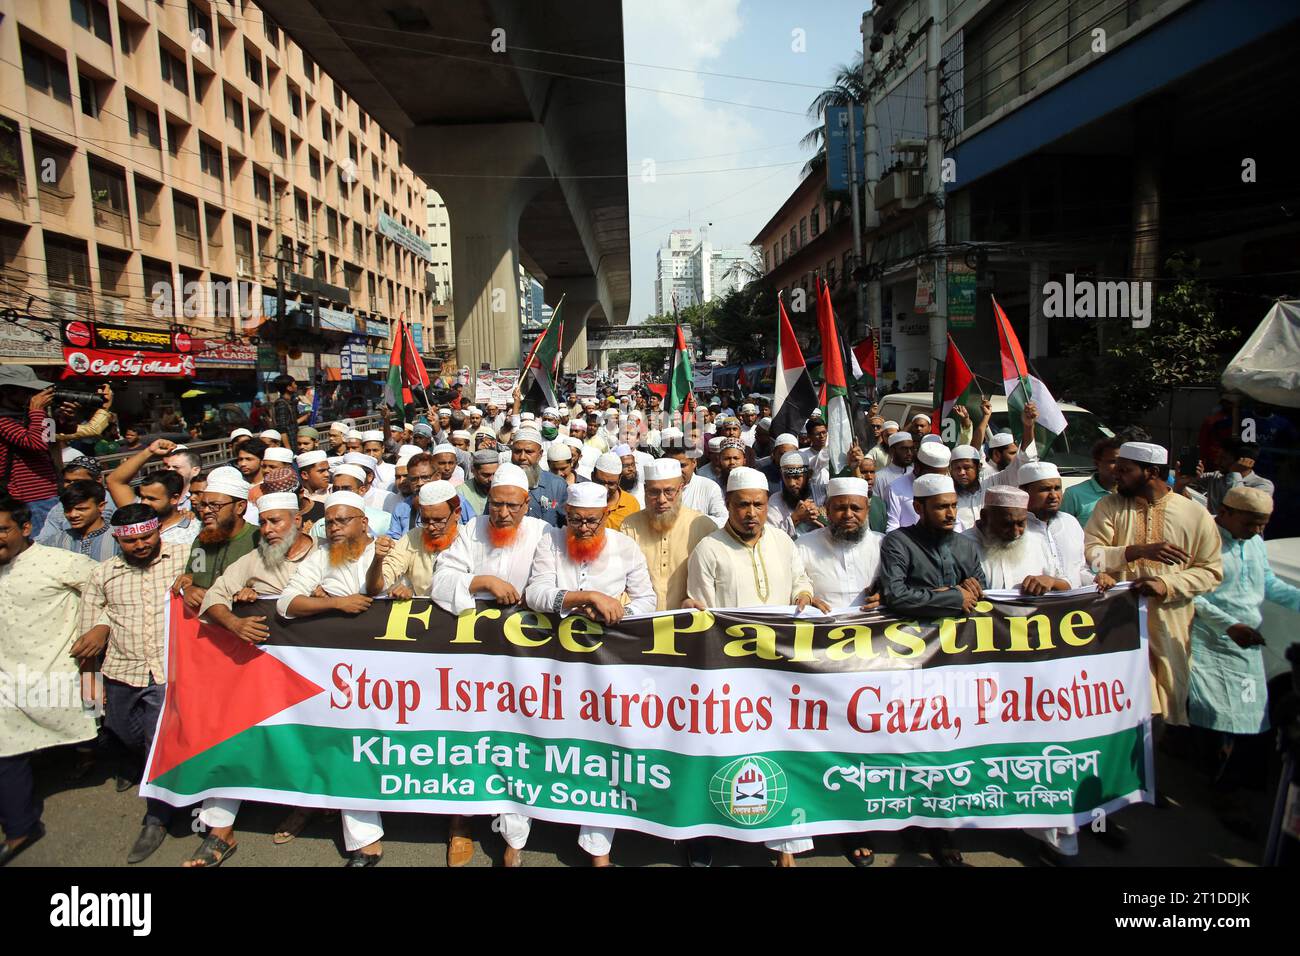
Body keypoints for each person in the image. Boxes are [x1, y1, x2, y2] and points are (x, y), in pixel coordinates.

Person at [686, 467, 824, 866]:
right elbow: (704, 614)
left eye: (758, 505)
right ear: (727, 506)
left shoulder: (783, 540)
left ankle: (785, 847)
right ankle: (707, 833)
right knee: (722, 753)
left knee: (782, 753)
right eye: (742, 504)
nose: (751, 513)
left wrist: (803, 593)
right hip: (730, 674)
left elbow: (801, 580)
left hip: (780, 673)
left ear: (768, 505)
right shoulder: (709, 549)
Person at [522, 481, 655, 866]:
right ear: (565, 515)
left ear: (604, 518)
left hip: (605, 666)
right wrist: (586, 598)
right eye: (576, 520)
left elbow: (647, 600)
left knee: (602, 750)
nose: (583, 529)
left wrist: (615, 611)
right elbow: (537, 593)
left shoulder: (625, 547)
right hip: (553, 663)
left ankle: (598, 847)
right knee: (548, 745)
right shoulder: (551, 542)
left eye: (592, 522)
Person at [183, 492, 315, 866]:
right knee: (235, 735)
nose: (269, 530)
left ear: (300, 523)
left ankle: (304, 807)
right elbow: (214, 598)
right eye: (265, 522)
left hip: (318, 672)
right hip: (262, 673)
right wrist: (236, 621)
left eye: (277, 522)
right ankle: (219, 830)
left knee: (311, 741)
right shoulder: (254, 560)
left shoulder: (325, 555)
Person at [71, 504, 192, 863]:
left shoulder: (187, 556)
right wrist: (90, 678)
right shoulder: (103, 574)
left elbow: (210, 579)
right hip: (122, 669)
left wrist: (195, 581)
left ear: (158, 532)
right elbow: (91, 624)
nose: (140, 546)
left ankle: (158, 815)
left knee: (159, 741)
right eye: (131, 541)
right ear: (118, 540)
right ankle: (144, 768)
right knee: (122, 732)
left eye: (147, 537)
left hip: (169, 670)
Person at [878, 473, 985, 866]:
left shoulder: (964, 544)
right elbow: (896, 595)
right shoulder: (898, 542)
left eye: (953, 505)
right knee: (911, 742)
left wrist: (948, 596)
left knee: (949, 744)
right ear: (918, 507)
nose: (950, 513)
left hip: (958, 661)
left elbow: (980, 589)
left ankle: (943, 830)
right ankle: (905, 815)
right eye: (941, 506)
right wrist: (951, 596)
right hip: (910, 662)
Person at [276, 490, 385, 865]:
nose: (334, 528)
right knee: (344, 744)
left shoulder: (387, 550)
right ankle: (363, 839)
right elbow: (287, 603)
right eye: (330, 522)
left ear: (364, 522)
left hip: (390, 673)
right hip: (335, 671)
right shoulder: (321, 556)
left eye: (343, 521)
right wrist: (335, 603)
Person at [1084, 441, 1223, 727]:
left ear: (1152, 472)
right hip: (1118, 623)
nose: (1116, 475)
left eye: (1125, 470)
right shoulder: (1109, 505)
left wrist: (1166, 584)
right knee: (1126, 708)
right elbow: (1091, 555)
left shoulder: (1194, 513)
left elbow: (1211, 571)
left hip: (1171, 624)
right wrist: (1135, 551)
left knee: (1168, 709)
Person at [1188, 485, 1300, 833]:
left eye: (1264, 525)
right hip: (1208, 638)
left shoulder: (1254, 543)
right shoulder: (1202, 538)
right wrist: (1228, 625)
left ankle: (1229, 784)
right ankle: (1223, 793)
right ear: (1226, 512)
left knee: (1254, 720)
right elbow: (1189, 592)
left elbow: (1266, 582)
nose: (1258, 532)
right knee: (1214, 716)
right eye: (1252, 524)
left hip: (1247, 640)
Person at [0, 496, 99, 866]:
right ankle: (21, 826)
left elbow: (107, 587)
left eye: (2, 529)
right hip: (6, 678)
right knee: (5, 750)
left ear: (25, 529)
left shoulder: (60, 562)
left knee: (107, 730)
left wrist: (98, 630)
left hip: (59, 670)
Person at [619, 458, 718, 611]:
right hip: (642, 622)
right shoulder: (629, 526)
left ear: (681, 488)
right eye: (654, 492)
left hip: (687, 622)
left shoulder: (703, 525)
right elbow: (622, 579)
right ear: (645, 489)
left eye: (669, 491)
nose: (661, 500)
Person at [174, 466, 259, 613]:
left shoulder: (259, 539)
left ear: (239, 507)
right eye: (204, 505)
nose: (206, 511)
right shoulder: (201, 541)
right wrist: (189, 588)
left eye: (215, 506)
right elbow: (194, 576)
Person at [962, 487, 1066, 593]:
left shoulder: (1037, 541)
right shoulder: (962, 546)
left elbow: (1066, 586)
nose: (1015, 533)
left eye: (1021, 524)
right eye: (1006, 524)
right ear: (984, 517)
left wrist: (1051, 581)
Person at [368, 481, 460, 598]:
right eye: (425, 521)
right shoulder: (413, 538)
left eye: (438, 520)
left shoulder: (467, 539)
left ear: (457, 513)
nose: (431, 527)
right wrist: (378, 558)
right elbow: (376, 587)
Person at [0, 367, 63, 537]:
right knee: (45, 544)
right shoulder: (3, 421)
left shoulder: (25, 416)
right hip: (30, 498)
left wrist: (62, 418)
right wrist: (36, 410)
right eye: (27, 391)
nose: (32, 395)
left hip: (49, 492)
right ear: (7, 391)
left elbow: (48, 439)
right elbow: (37, 444)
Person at [1017, 462, 1091, 588]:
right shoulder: (1015, 529)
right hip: (1036, 604)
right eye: (1045, 489)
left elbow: (1079, 569)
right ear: (1024, 492)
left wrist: (1096, 579)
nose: (1054, 496)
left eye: (1057, 488)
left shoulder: (1070, 523)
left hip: (1075, 603)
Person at [1180, 439, 1275, 514]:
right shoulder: (1216, 477)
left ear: (1245, 461)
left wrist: (1235, 473)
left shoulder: (1263, 486)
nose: (1217, 462)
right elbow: (1182, 480)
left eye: (1223, 458)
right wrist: (1186, 474)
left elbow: (1239, 507)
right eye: (1218, 457)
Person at [36, 480, 118, 561]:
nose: (73, 515)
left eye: (81, 509)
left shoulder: (119, 538)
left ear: (101, 506)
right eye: (67, 510)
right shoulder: (55, 542)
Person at [883, 442, 954, 533]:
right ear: (917, 467)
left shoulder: (948, 484)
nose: (938, 480)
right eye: (933, 475)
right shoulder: (895, 488)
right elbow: (892, 527)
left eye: (942, 475)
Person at [512, 427, 568, 526]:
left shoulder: (557, 485)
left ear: (540, 454)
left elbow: (566, 525)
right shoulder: (501, 483)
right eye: (517, 451)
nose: (522, 457)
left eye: (529, 452)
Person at [1061, 437, 1121, 527]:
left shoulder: (1133, 494)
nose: (1119, 467)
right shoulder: (1074, 494)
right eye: (1113, 461)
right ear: (1097, 463)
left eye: (1123, 462)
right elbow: (1062, 530)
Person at [767, 451, 824, 539]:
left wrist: (820, 515)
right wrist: (796, 518)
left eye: (797, 477)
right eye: (787, 477)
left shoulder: (822, 492)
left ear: (808, 475)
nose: (791, 483)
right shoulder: (775, 501)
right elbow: (771, 537)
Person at [591, 452, 639, 530]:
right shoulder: (581, 499)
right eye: (601, 482)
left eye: (611, 484)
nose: (605, 489)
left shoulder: (631, 504)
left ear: (619, 479)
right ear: (592, 477)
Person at [270, 374, 308, 448]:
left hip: (294, 443)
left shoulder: (290, 403)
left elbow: (291, 423)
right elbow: (282, 429)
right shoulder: (282, 404)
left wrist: (307, 415)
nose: (296, 386)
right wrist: (289, 450)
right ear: (289, 388)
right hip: (289, 446)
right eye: (294, 384)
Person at [875, 431, 914, 496]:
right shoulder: (879, 478)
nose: (909, 453)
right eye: (904, 449)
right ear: (892, 451)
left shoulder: (915, 473)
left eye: (911, 448)